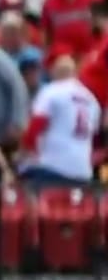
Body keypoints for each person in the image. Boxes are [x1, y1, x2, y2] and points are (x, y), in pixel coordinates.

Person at [18, 53, 101, 186]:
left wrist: (22, 154)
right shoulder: (92, 100)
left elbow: (36, 126)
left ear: (53, 72)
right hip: (83, 172)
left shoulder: (51, 91)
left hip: (52, 167)